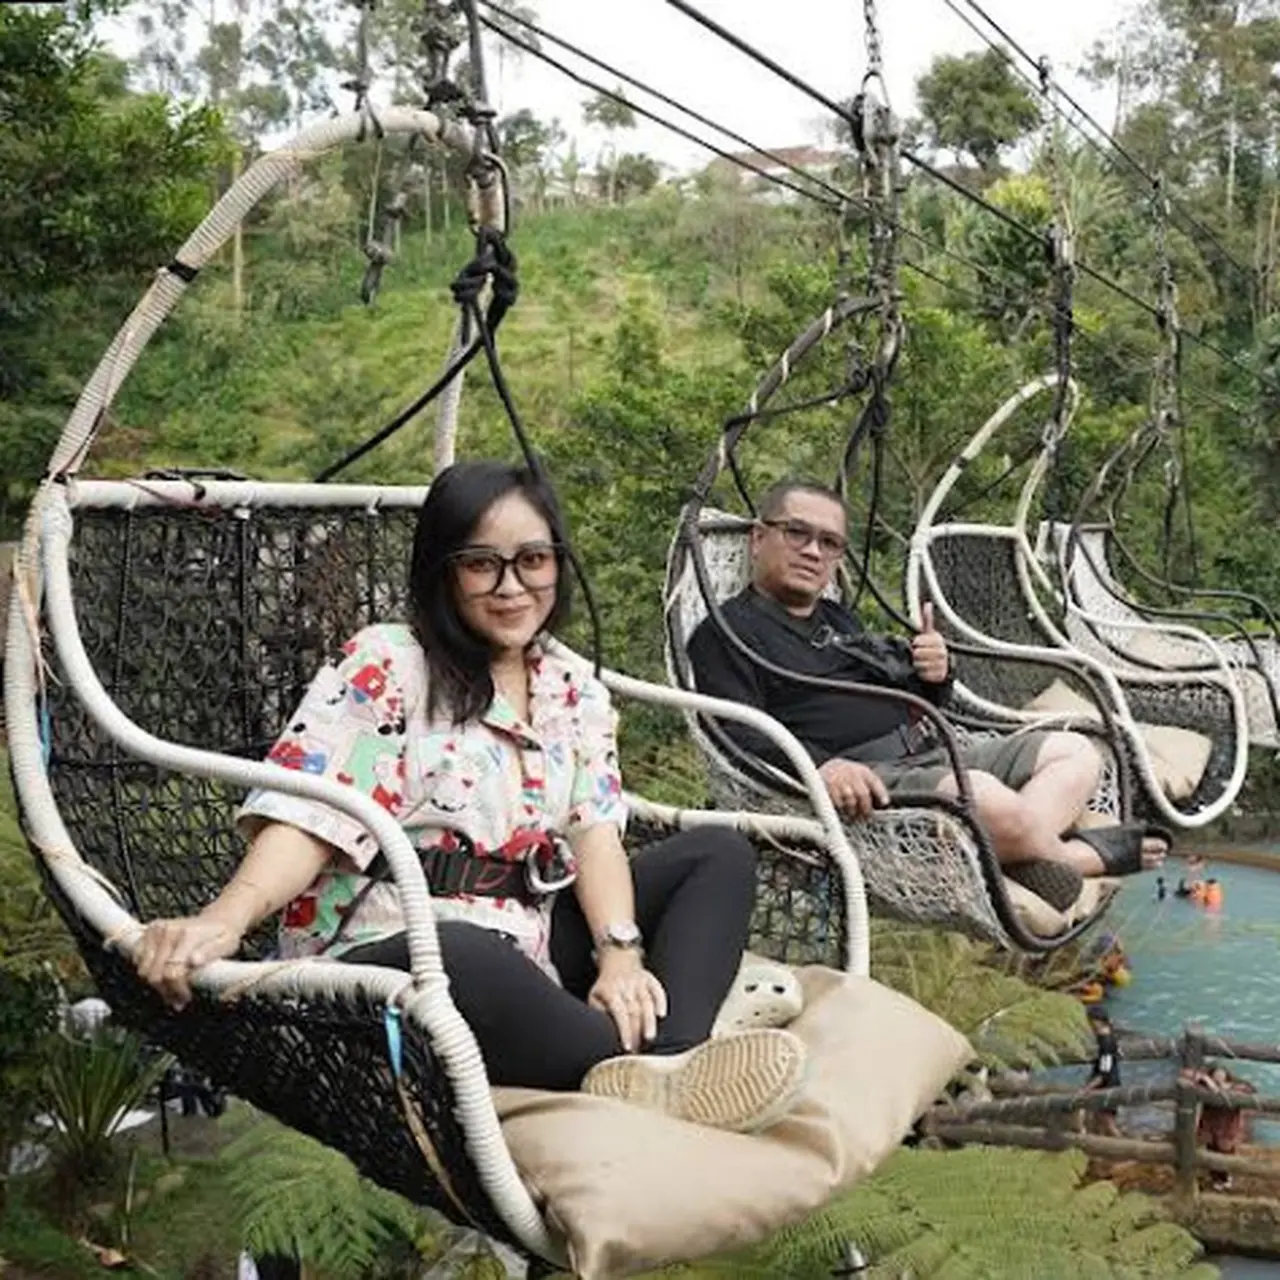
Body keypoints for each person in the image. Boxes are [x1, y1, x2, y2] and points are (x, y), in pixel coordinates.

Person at [131, 460, 806, 1134]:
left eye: (533, 560)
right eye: (482, 564)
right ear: (443, 571)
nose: (513, 587)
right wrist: (227, 919)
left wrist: (621, 957)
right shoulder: (390, 664)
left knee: (716, 855)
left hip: (527, 938)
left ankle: (669, 1063)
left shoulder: (573, 691)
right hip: (394, 951)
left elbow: (594, 834)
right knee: (463, 954)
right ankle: (664, 1052)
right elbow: (311, 818)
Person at [687, 478, 1169, 912]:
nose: (813, 551)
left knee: (1076, 752)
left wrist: (934, 673)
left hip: (933, 747)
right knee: (989, 801)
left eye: (829, 542)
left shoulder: (836, 620)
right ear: (758, 537)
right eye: (797, 533)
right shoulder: (726, 633)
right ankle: (1085, 854)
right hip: (872, 779)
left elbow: (906, 697)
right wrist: (820, 768)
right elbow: (735, 738)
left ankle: (1021, 853)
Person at [1084, 1012, 1122, 1137]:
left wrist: (1088, 1087)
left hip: (1107, 1085)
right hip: (1106, 1083)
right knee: (1099, 1121)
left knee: (1108, 1123)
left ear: (1098, 1022)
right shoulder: (1106, 1038)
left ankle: (1123, 1147)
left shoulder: (1106, 1043)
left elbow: (1105, 1070)